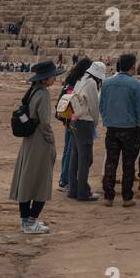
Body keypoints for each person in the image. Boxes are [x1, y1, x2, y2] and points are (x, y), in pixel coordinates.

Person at [8, 61, 65, 234]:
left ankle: (26, 221)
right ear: (46, 78)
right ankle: (31, 221)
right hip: (40, 142)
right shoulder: (44, 95)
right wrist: (50, 140)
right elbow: (45, 123)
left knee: (26, 181)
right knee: (41, 182)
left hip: (29, 141)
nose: (55, 78)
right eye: (53, 76)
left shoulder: (33, 92)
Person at [99, 53, 140, 207]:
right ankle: (127, 197)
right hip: (130, 129)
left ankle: (108, 196)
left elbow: (102, 106)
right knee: (129, 164)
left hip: (112, 128)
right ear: (133, 66)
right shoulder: (136, 85)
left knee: (111, 163)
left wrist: (107, 120)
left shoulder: (106, 83)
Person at [67, 60, 105, 201]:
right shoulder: (92, 83)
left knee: (75, 157)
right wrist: (94, 125)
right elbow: (94, 107)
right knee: (85, 159)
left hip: (75, 121)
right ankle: (83, 192)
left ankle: (73, 189)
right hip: (85, 122)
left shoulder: (81, 79)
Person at [56, 57, 93, 191]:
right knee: (71, 151)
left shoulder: (70, 80)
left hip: (67, 118)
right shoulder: (80, 83)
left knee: (67, 150)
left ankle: (63, 179)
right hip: (74, 119)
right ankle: (65, 181)